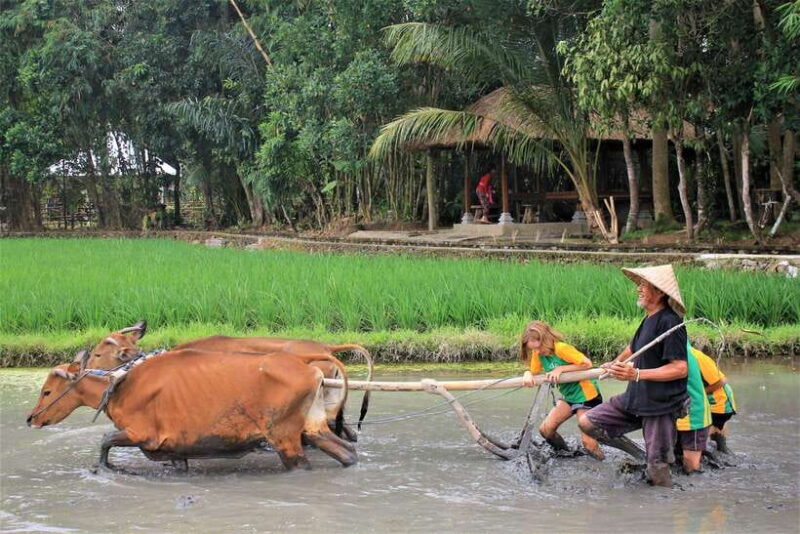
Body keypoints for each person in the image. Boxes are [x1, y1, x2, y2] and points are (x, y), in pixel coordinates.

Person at [578, 264, 689, 488]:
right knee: (588, 422)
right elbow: (633, 347)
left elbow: (680, 368)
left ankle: (668, 505)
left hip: (660, 405)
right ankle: (640, 455)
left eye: (644, 285)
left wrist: (636, 373)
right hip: (636, 398)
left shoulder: (671, 323)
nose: (638, 289)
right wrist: (617, 363)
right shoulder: (649, 318)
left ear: (659, 292)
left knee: (658, 469)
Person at [520, 321, 604, 460]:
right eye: (533, 349)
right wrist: (527, 374)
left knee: (588, 443)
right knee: (546, 430)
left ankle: (602, 465)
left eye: (539, 347)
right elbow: (533, 371)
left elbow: (587, 364)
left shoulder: (561, 348)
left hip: (586, 395)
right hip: (569, 396)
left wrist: (561, 369)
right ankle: (566, 455)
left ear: (546, 339)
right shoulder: (538, 353)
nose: (538, 352)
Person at [691, 346, 737, 454]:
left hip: (720, 401)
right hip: (706, 399)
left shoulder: (696, 357)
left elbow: (722, 381)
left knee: (707, 435)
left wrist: (697, 393)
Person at [675, 346, 712, 473]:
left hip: (694, 416)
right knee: (676, 461)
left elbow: (720, 381)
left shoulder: (690, 353)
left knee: (691, 468)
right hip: (675, 415)